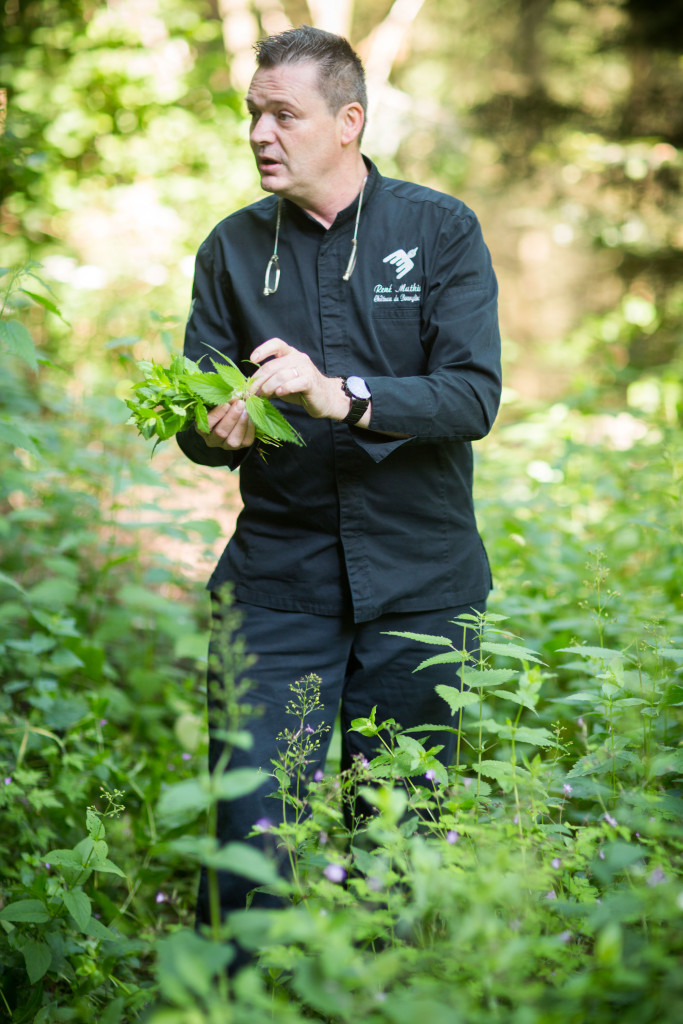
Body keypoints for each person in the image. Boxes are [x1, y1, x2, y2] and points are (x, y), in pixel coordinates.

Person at [177, 25, 501, 936]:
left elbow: (471, 395)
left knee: (394, 843)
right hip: (278, 586)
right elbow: (197, 424)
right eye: (252, 114)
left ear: (348, 121)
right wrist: (213, 430)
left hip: (422, 583)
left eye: (284, 114)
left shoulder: (440, 230)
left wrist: (342, 395)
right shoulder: (231, 249)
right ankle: (239, 998)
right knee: (249, 832)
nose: (259, 134)